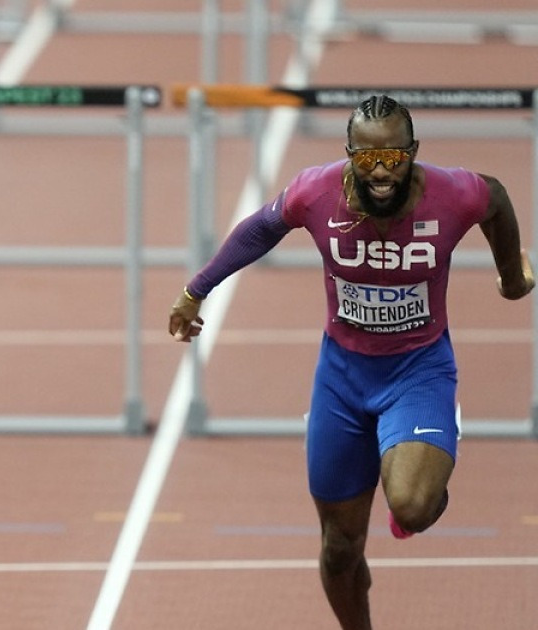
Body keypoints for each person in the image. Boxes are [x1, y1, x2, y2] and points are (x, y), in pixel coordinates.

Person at [168, 94, 534, 630]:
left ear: (413, 152)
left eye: (394, 157)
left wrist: (510, 274)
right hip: (341, 378)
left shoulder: (453, 194)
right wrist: (195, 290)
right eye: (366, 159)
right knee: (340, 547)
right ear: (349, 154)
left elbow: (496, 198)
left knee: (411, 505)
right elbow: (259, 230)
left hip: (419, 371)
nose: (381, 171)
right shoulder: (316, 190)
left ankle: (425, 464)